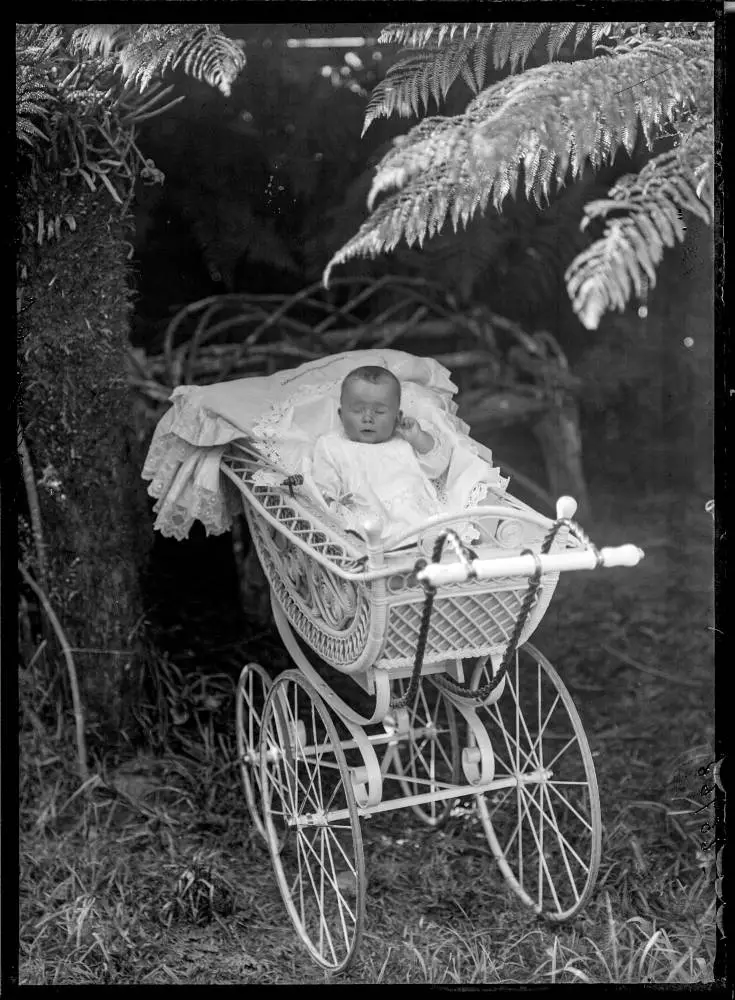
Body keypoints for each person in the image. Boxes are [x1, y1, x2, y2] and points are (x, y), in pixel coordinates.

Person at [308, 365, 452, 543]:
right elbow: (323, 488)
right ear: (341, 415)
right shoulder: (332, 446)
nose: (368, 418)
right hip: (367, 528)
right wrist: (333, 504)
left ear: (397, 417)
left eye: (380, 411)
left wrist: (418, 438)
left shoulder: (403, 441)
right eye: (358, 410)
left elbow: (437, 466)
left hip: (420, 521)